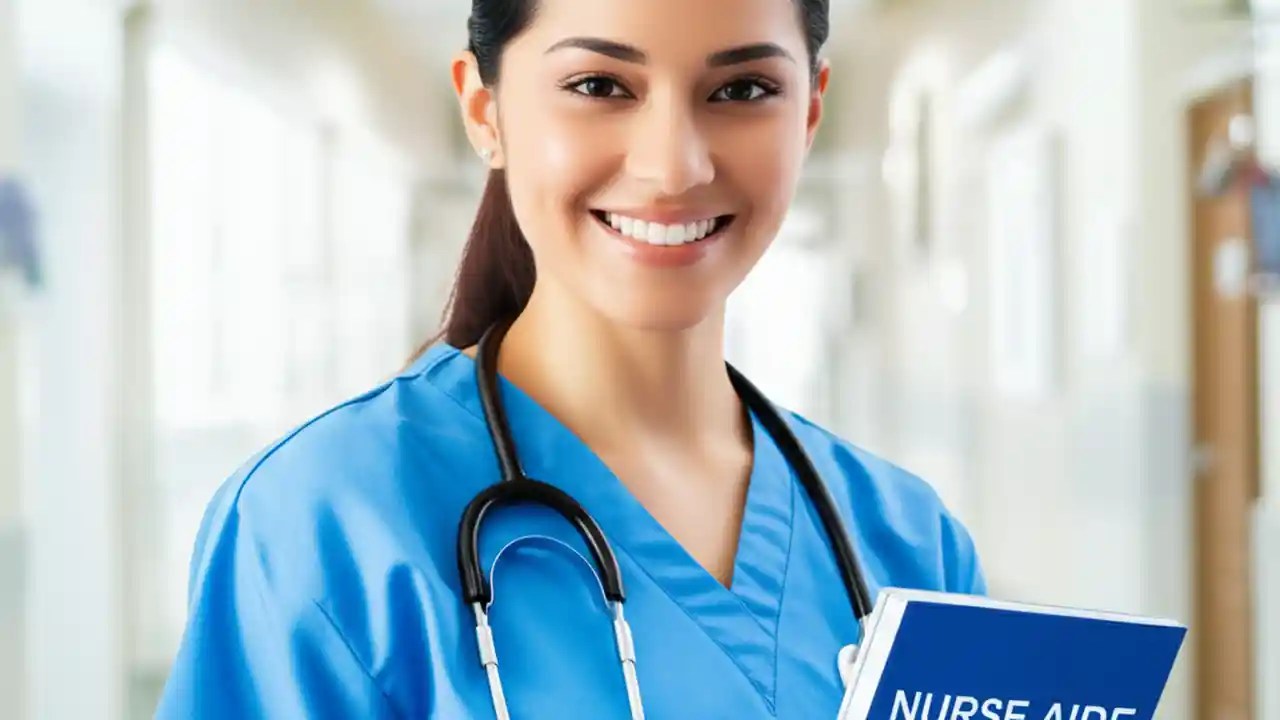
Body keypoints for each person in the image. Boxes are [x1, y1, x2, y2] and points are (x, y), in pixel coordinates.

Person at [156, 0, 986, 717]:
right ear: (486, 112)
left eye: (742, 90)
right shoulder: (320, 523)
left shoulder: (910, 544)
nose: (674, 167)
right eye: (599, 87)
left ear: (808, 117)